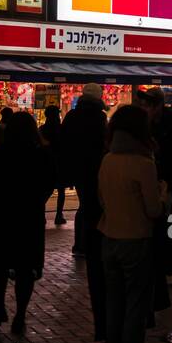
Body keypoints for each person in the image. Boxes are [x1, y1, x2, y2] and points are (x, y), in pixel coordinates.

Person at [98, 103, 167, 343]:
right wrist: (164, 193)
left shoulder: (108, 160)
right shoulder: (144, 163)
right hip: (136, 241)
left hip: (108, 239)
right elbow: (153, 210)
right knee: (136, 309)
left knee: (113, 306)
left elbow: (103, 201)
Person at [0, 110, 56, 337]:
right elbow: (48, 184)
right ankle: (20, 315)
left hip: (1, 220)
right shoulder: (41, 157)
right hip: (29, 221)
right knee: (26, 269)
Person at [63, 84, 107, 258]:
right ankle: (90, 243)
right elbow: (104, 143)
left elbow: (65, 141)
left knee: (83, 205)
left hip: (77, 168)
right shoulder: (100, 117)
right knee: (93, 207)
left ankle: (79, 245)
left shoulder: (72, 116)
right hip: (96, 167)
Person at [146, 91, 172, 216]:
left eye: (148, 105)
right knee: (166, 209)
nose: (145, 108)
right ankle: (171, 232)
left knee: (170, 209)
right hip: (160, 175)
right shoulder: (152, 123)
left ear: (158, 105)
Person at [40, 105, 67, 225]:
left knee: (46, 189)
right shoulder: (61, 129)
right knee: (61, 190)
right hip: (60, 162)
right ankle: (59, 215)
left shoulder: (42, 129)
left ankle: (41, 213)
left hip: (45, 163)